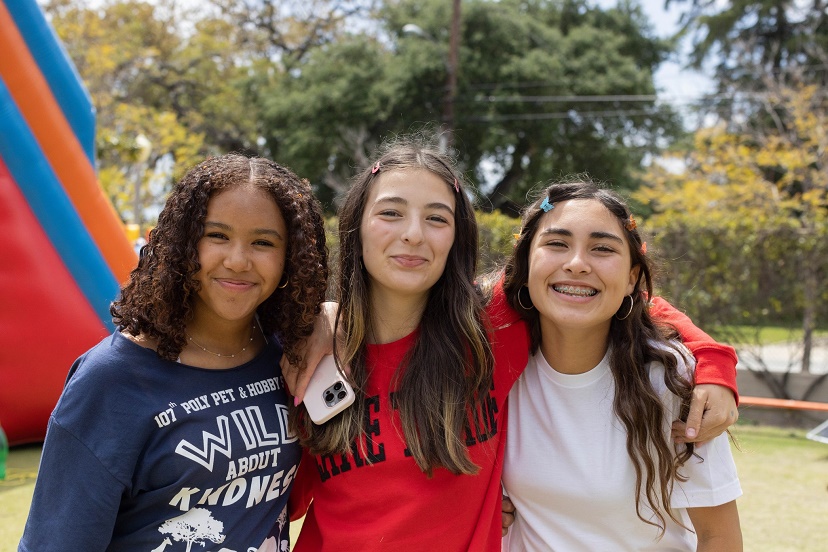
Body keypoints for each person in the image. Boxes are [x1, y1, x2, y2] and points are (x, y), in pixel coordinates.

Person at [285, 136, 740, 551]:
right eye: (390, 212)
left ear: (458, 235)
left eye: (436, 218)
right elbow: (278, 498)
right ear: (355, 225)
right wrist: (324, 319)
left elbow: (607, 295)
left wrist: (714, 360)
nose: (412, 234)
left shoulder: (488, 330)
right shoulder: (309, 355)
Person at [18, 154, 328, 551]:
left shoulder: (289, 354)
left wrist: (328, 315)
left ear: (291, 258)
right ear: (182, 245)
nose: (237, 260)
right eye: (216, 235)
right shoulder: (110, 380)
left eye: (263, 242)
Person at [500, 178, 742, 550]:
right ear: (525, 263)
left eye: (602, 248)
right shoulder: (492, 362)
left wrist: (716, 361)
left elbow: (719, 537)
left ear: (632, 279)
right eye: (556, 244)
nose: (577, 264)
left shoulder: (672, 380)